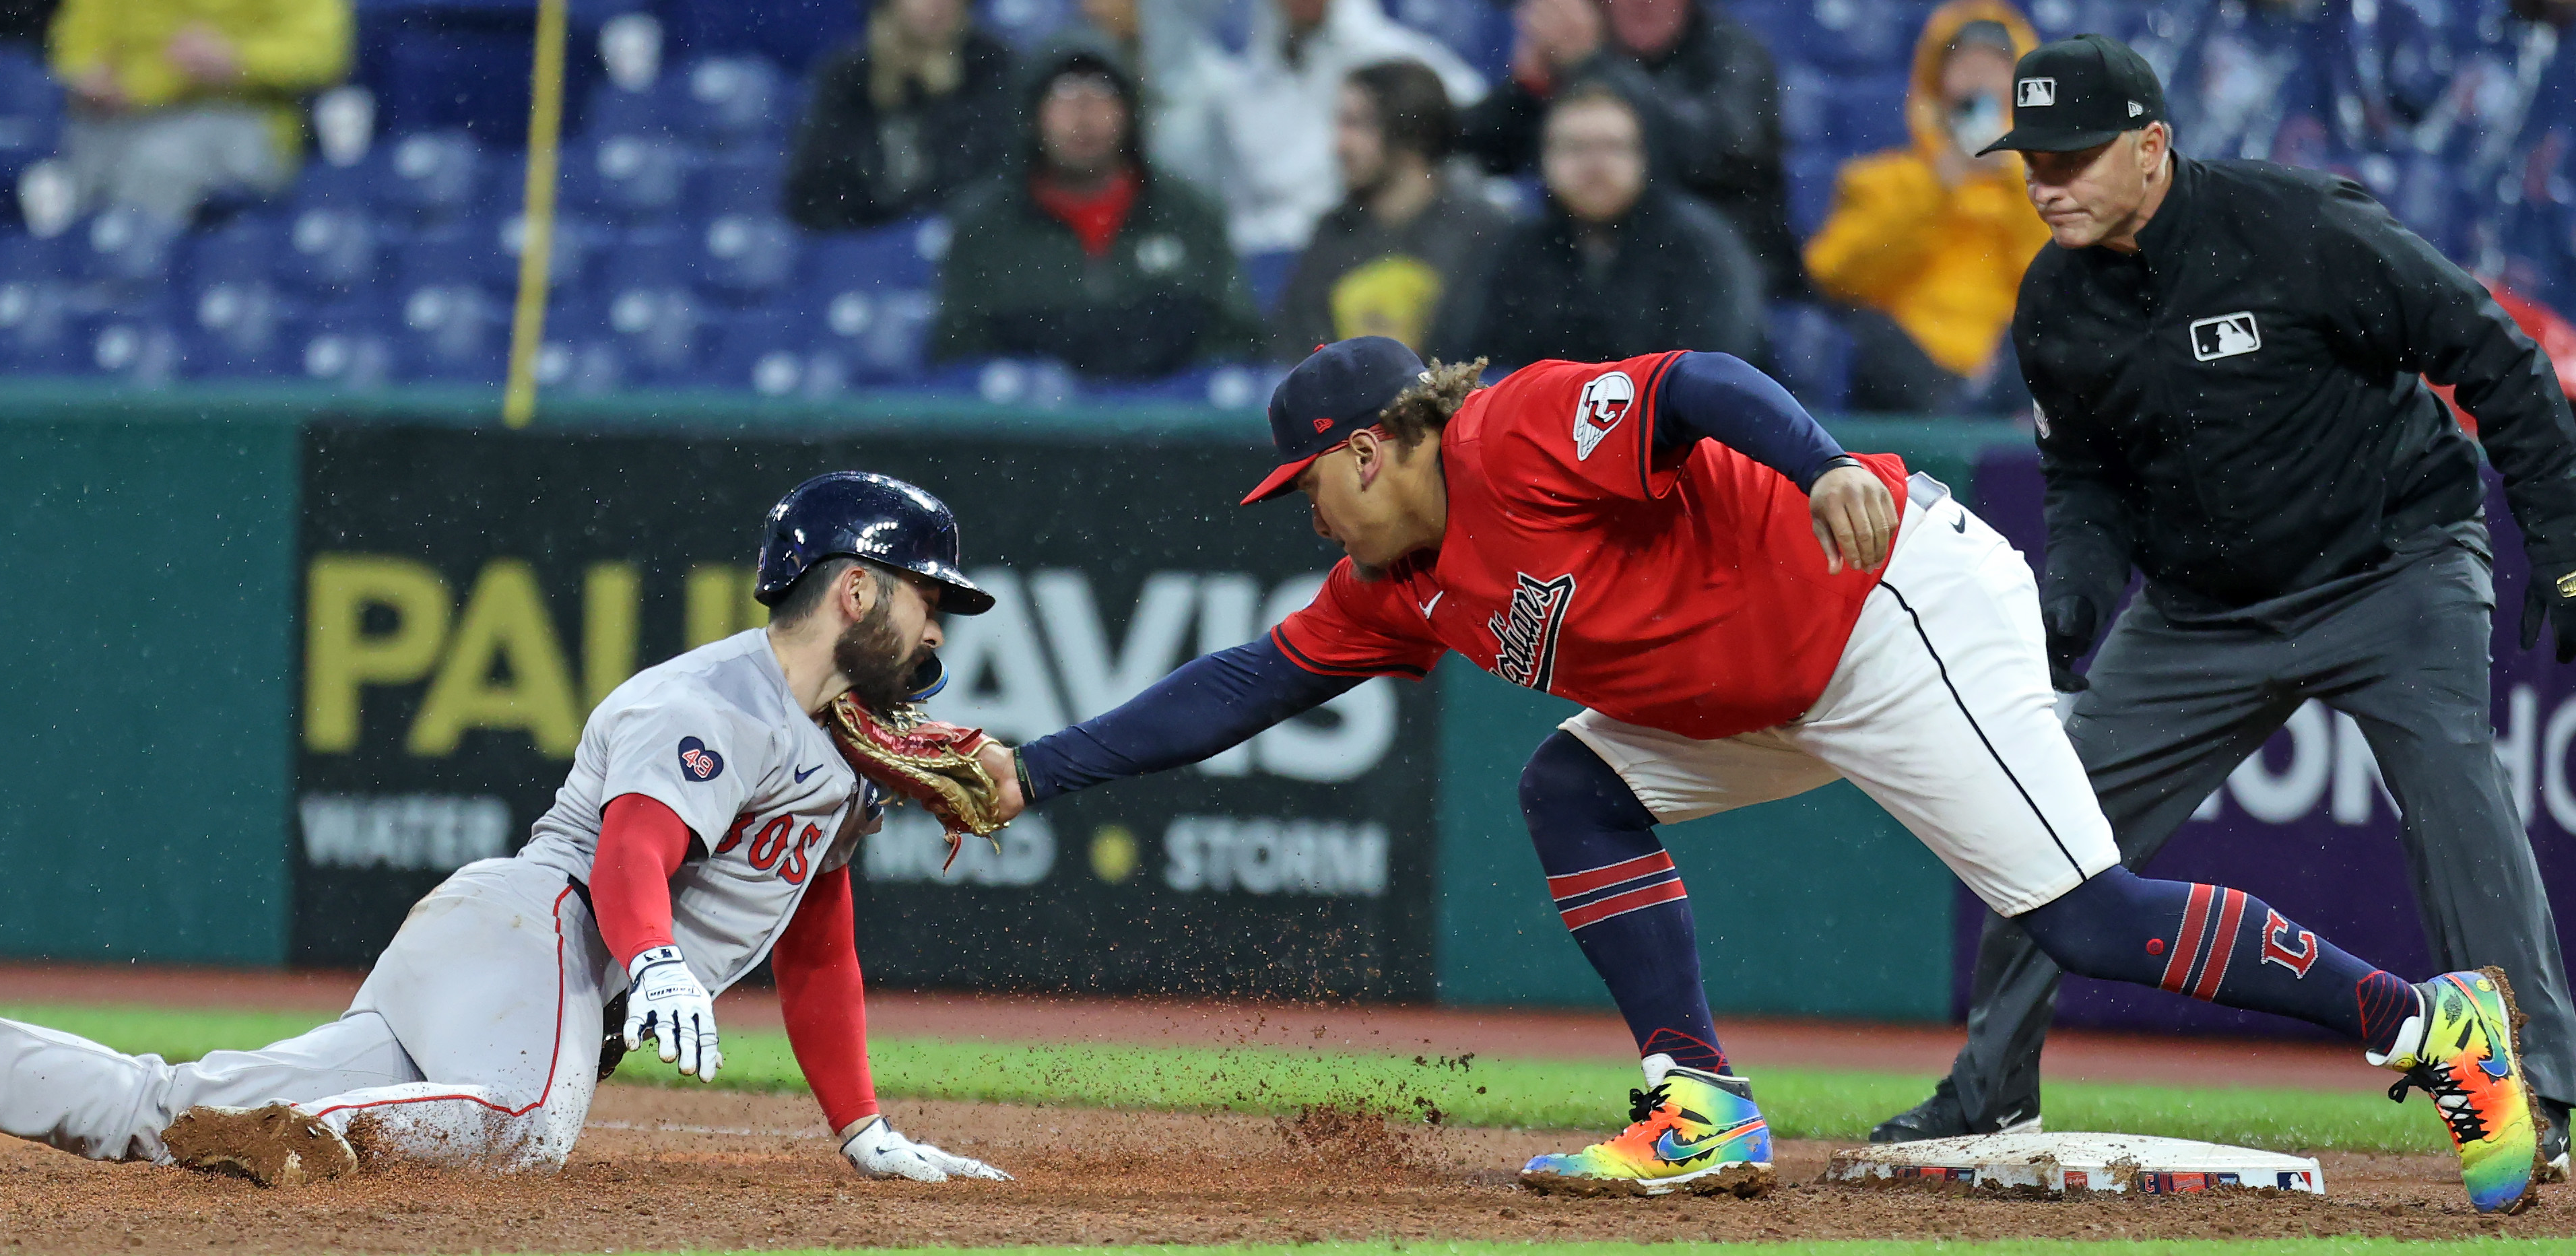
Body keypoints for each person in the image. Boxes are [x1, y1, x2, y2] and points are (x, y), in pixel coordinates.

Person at [975, 335, 2542, 1212]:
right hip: (1744, 695)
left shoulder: (1516, 430)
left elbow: (1695, 383)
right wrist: (1032, 774)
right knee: (1569, 785)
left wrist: (1813, 468)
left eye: (1304, 481)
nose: (1302, 514)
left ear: (1371, 446)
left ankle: (2428, 1025)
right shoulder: (1390, 588)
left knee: (2080, 920)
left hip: (1879, 608)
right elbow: (1238, 687)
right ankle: (1697, 1099)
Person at [0, 473, 1014, 1189]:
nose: (940, 633)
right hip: (548, 934)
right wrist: (659, 958)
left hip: (503, 961)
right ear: (855, 588)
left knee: (171, 1105)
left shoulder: (846, 746)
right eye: (928, 601)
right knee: (522, 1138)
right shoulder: (707, 699)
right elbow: (634, 846)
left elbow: (815, 934)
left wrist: (860, 1125)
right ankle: (313, 1139)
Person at [1867, 36, 2576, 1188]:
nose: (2045, 181)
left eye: (2073, 155)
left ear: (2151, 146)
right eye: (2030, 158)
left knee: (2456, 796)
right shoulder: (2051, 301)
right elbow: (2086, 482)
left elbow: (2490, 354)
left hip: (2390, 565)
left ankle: (2535, 1089)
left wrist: (2562, 545)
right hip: (2200, 612)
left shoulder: (2298, 228)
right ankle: (1987, 1091)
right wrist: (2074, 605)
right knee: (2041, 815)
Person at [929, 51, 1267, 379]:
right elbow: (960, 356)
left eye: (1103, 91)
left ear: (1130, 112)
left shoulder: (1192, 215)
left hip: (1169, 427)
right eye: (1064, 93)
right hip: (1030, 428)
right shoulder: (985, 228)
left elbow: (1236, 341)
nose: (1084, 113)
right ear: (1032, 115)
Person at [1802, 2, 2048, 414]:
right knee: (1873, 340)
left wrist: (2022, 182)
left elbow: (2062, 282)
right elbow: (1834, 273)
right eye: (1965, 67)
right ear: (1937, 83)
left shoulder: (2044, 187)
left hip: (2008, 367)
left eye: (1995, 68)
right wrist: (1938, 187)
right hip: (1913, 368)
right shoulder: (1883, 179)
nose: (1979, 80)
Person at [1459, 0, 1797, 296]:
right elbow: (1482, 153)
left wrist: (1591, 61)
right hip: (1590, 275)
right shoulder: (1586, 57)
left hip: (1720, 278)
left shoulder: (1732, 51)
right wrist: (1529, 88)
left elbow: (1717, 153)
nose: (1645, 4)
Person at [1431, 84, 1758, 370]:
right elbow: (1464, 360)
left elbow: (1718, 372)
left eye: (1614, 147)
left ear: (1644, 158)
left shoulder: (1701, 246)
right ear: (1544, 159)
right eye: (1575, 148)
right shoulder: (1510, 247)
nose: (1596, 165)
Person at [1154, 0, 1486, 254]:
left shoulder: (1404, 62)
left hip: (1398, 245)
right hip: (1282, 265)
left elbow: (1473, 147)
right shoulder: (1237, 94)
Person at [1272, 59, 1509, 358]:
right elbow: (1296, 355)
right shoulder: (1332, 234)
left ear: (1410, 132)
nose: (1339, 145)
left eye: (1357, 124)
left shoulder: (1485, 233)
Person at [46, 0, 352, 224]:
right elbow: (77, 41)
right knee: (61, 170)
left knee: (156, 161)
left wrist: (238, 61)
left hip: (243, 114)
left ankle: (133, 295)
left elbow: (325, 54)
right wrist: (88, 75)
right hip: (127, 115)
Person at [784, 0, 1018, 232]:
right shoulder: (846, 77)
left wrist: (944, 102)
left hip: (964, 246)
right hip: (864, 249)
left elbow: (988, 184)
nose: (937, 5)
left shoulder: (996, 68)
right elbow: (811, 196)